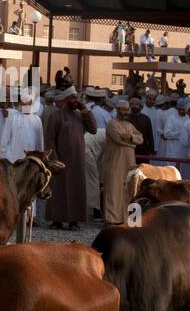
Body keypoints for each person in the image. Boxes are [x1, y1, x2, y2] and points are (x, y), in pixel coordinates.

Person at [44, 87, 96, 229]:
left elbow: (93, 129)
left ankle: (74, 221)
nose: (76, 100)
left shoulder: (80, 115)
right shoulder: (55, 116)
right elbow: (50, 140)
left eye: (77, 98)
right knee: (59, 190)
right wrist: (54, 159)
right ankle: (57, 220)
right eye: (72, 98)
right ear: (66, 100)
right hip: (60, 159)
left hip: (77, 159)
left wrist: (86, 112)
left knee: (76, 189)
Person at [101, 100, 143, 224]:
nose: (125, 112)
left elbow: (140, 138)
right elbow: (118, 139)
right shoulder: (111, 124)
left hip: (129, 163)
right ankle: (111, 220)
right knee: (113, 190)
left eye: (126, 109)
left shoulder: (129, 125)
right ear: (117, 110)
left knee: (129, 189)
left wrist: (131, 138)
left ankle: (130, 219)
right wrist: (133, 143)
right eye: (122, 109)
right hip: (114, 163)